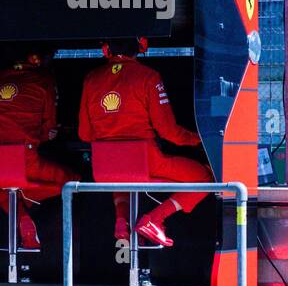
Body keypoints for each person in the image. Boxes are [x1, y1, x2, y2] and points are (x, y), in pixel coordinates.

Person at [79, 38, 211, 247]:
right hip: (147, 162)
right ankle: (155, 219)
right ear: (141, 47)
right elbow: (169, 132)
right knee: (204, 178)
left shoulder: (90, 79)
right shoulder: (149, 77)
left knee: (120, 174)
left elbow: (84, 134)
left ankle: (121, 220)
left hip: (105, 168)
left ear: (106, 50)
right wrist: (199, 139)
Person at [0, 50, 80, 249]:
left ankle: (19, 218)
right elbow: (49, 127)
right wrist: (45, 135)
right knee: (74, 181)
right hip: (21, 160)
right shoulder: (44, 80)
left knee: (8, 185)